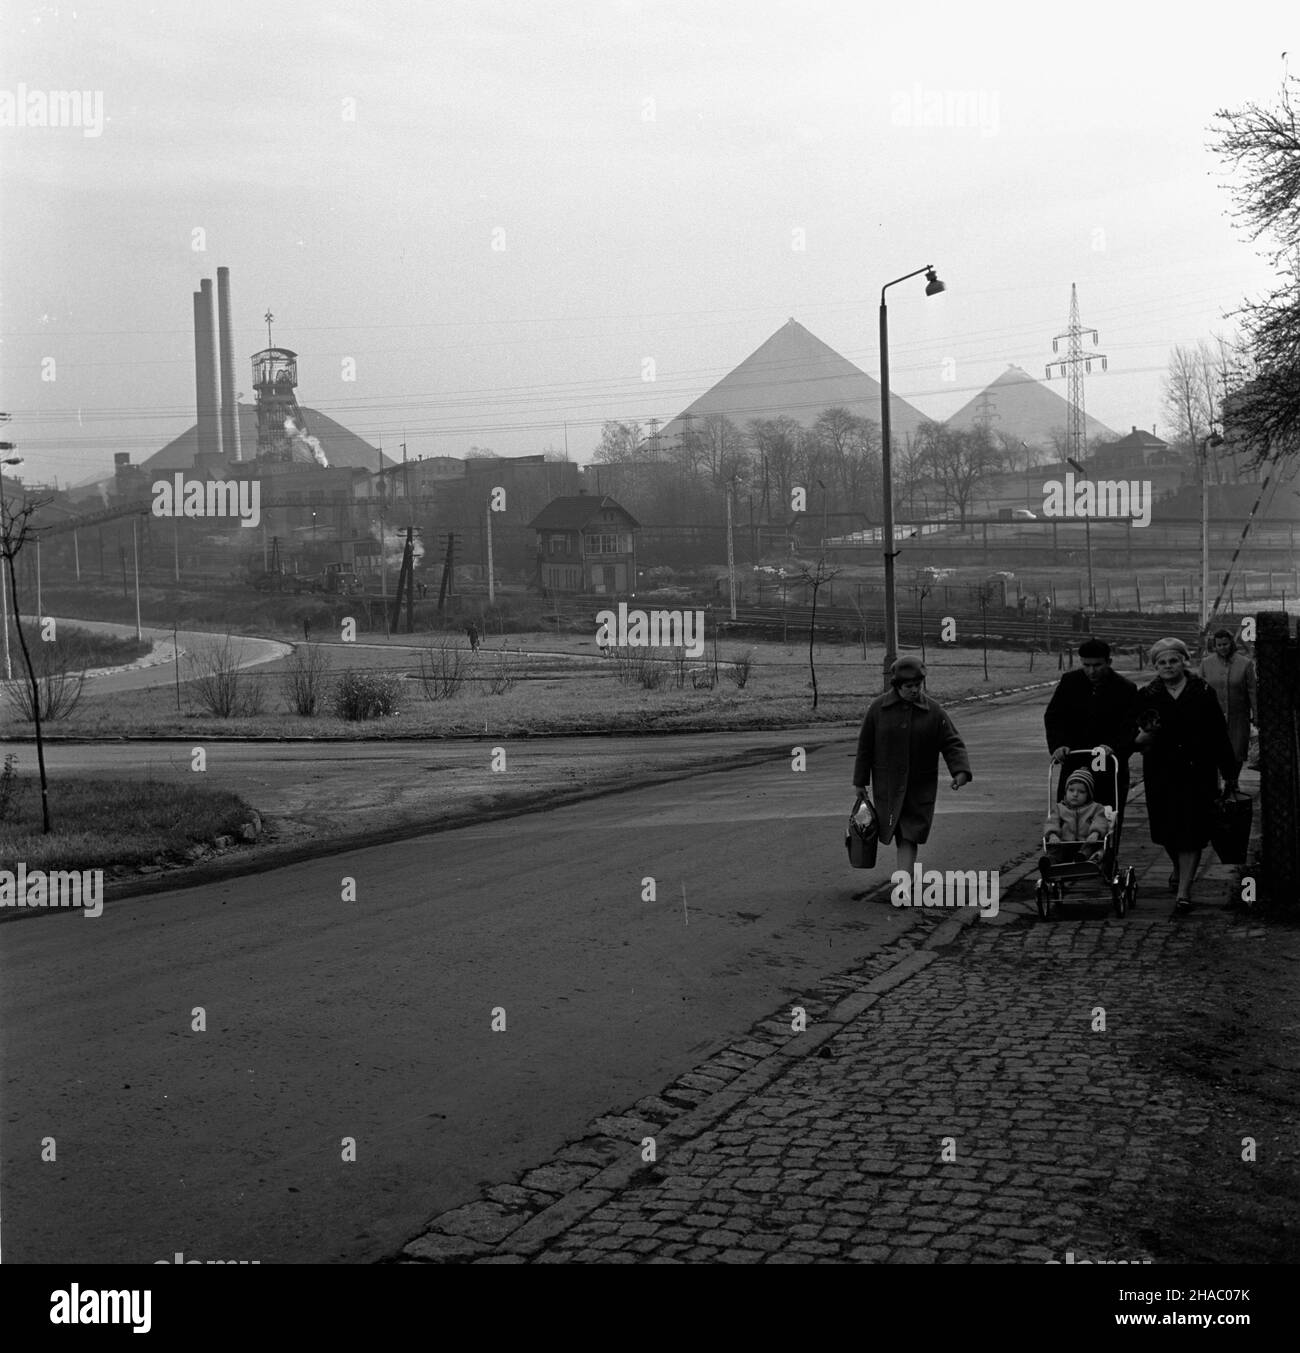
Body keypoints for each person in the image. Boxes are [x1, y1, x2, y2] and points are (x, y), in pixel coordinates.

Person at [1135, 637, 1237, 915]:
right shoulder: (1147, 695)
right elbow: (1138, 733)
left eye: (1173, 660)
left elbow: (1218, 733)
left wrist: (1230, 773)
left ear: (1184, 662)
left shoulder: (1202, 691)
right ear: (1155, 666)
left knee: (1192, 831)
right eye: (1162, 662)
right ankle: (1178, 866)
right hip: (1161, 772)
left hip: (1197, 771)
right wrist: (1140, 738)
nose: (1168, 666)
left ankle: (1184, 893)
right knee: (1167, 831)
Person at [852, 657, 972, 887]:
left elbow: (952, 742)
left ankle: (903, 884)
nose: (915, 690)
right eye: (909, 686)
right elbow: (865, 747)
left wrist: (960, 771)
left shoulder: (934, 711)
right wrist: (860, 782)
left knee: (909, 834)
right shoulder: (878, 709)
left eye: (918, 685)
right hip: (888, 784)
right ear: (896, 686)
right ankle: (903, 881)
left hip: (919, 786)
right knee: (896, 830)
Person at [1044, 637, 1139, 830]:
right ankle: (1070, 854)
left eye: (1097, 665)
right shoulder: (1070, 682)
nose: (1091, 671)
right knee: (1070, 814)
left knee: (1108, 816)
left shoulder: (1125, 688)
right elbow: (1054, 716)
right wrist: (1058, 745)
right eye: (1086, 665)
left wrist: (1115, 747)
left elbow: (1130, 726)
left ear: (1108, 662)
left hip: (1110, 764)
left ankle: (1105, 855)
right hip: (1075, 760)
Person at [1199, 628, 1256, 780]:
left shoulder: (1245, 664)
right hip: (1212, 717)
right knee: (1214, 751)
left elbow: (1252, 691)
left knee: (1236, 752)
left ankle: (1233, 782)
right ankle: (1217, 785)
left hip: (1238, 717)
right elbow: (1199, 691)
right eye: (1219, 645)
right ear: (1214, 646)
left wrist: (1256, 715)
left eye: (1225, 644)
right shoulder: (1206, 663)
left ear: (1231, 643)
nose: (1222, 647)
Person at [1043, 768, 1109, 865]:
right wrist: (1052, 834)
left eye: (1081, 792)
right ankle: (1049, 861)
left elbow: (1100, 821)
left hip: (1086, 841)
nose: (1075, 794)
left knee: (1090, 847)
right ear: (1066, 792)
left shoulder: (1095, 808)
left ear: (1088, 795)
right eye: (1071, 790)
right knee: (1055, 850)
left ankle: (1082, 858)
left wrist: (1095, 833)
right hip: (1064, 843)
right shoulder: (1059, 808)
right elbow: (1052, 822)